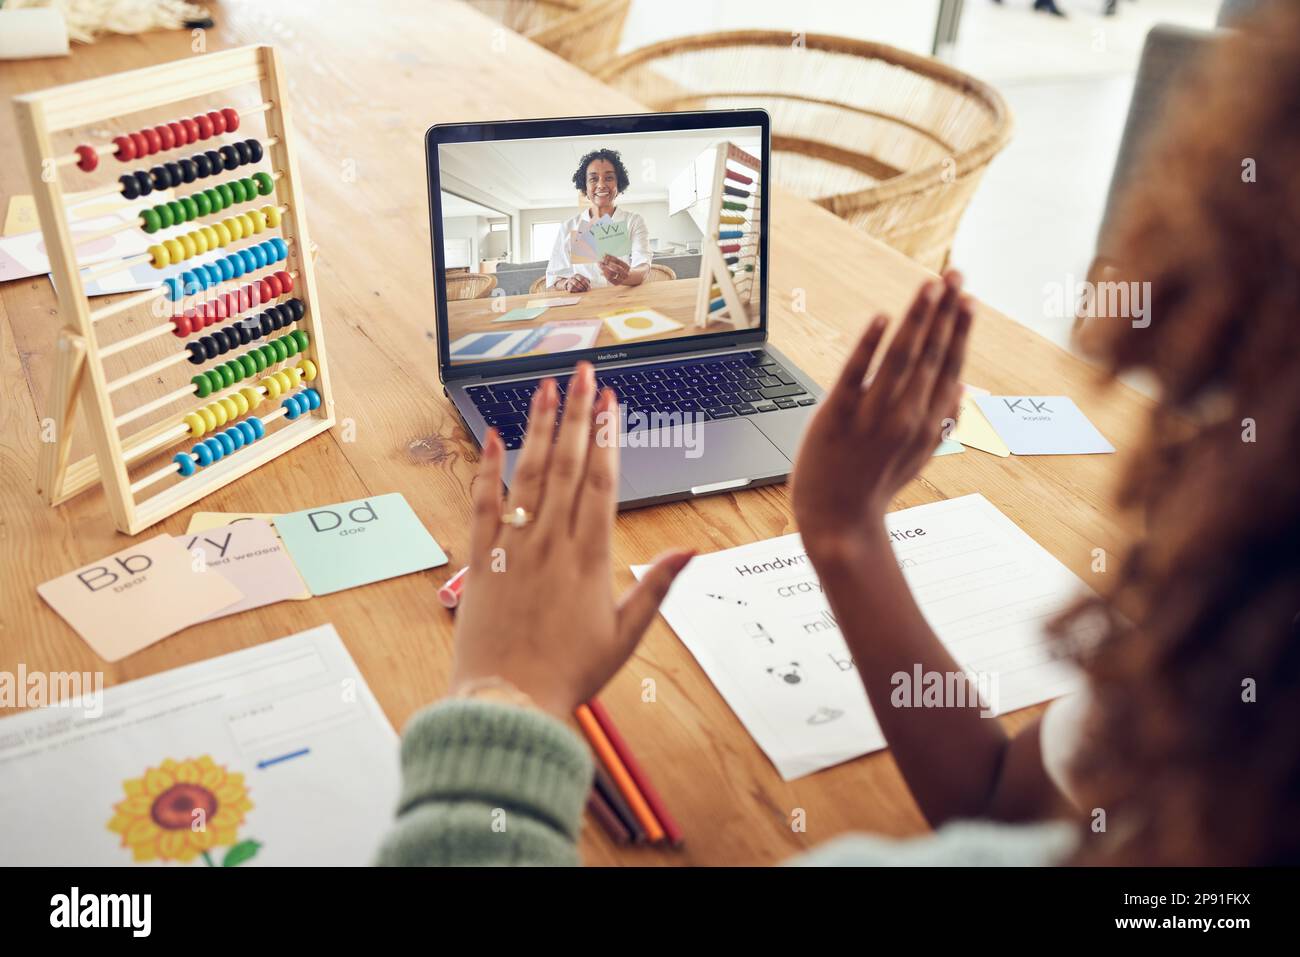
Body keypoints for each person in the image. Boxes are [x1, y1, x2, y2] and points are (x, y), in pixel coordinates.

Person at [376, 1, 1300, 866]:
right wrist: (845, 530)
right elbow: (1007, 805)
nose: (1167, 444)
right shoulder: (1214, 730)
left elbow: (663, 275)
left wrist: (506, 696)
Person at [545, 148, 652, 294]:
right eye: (593, 179)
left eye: (609, 178)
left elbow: (643, 268)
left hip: (624, 301)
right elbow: (554, 279)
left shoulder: (633, 222)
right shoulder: (568, 227)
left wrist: (626, 276)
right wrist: (568, 283)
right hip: (583, 305)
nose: (601, 185)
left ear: (618, 184)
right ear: (585, 186)